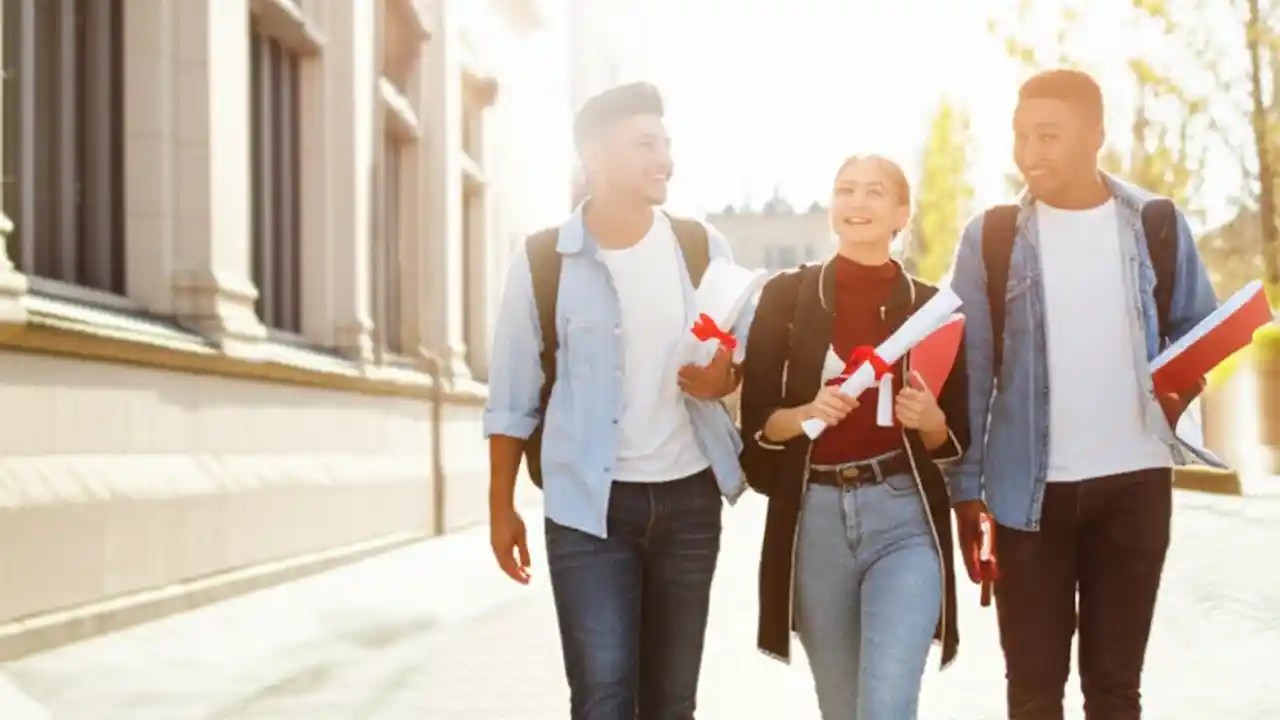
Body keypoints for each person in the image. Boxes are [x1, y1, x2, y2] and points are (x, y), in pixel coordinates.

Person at [948, 68, 1219, 719]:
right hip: (1026, 498)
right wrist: (966, 493)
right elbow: (969, 371)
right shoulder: (991, 237)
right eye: (1021, 136)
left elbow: (1197, 328)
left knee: (1116, 688)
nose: (1030, 152)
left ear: (1096, 136)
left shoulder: (1154, 223)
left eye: (1049, 135)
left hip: (1135, 486)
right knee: (1034, 691)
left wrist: (1186, 376)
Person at [483, 81, 752, 720]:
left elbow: (737, 361)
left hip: (688, 499)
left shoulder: (701, 247)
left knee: (671, 702)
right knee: (603, 696)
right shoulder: (545, 259)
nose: (663, 158)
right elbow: (512, 394)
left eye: (666, 144)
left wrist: (724, 381)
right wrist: (501, 508)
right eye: (644, 144)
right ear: (594, 157)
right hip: (587, 508)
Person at [739, 154, 969, 719]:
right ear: (831, 208)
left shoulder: (932, 309)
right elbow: (759, 424)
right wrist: (806, 412)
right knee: (842, 710)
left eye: (873, 192)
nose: (857, 203)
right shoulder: (786, 297)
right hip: (813, 520)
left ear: (901, 213)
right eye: (845, 190)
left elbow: (955, 436)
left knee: (886, 707)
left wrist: (930, 421)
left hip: (904, 520)